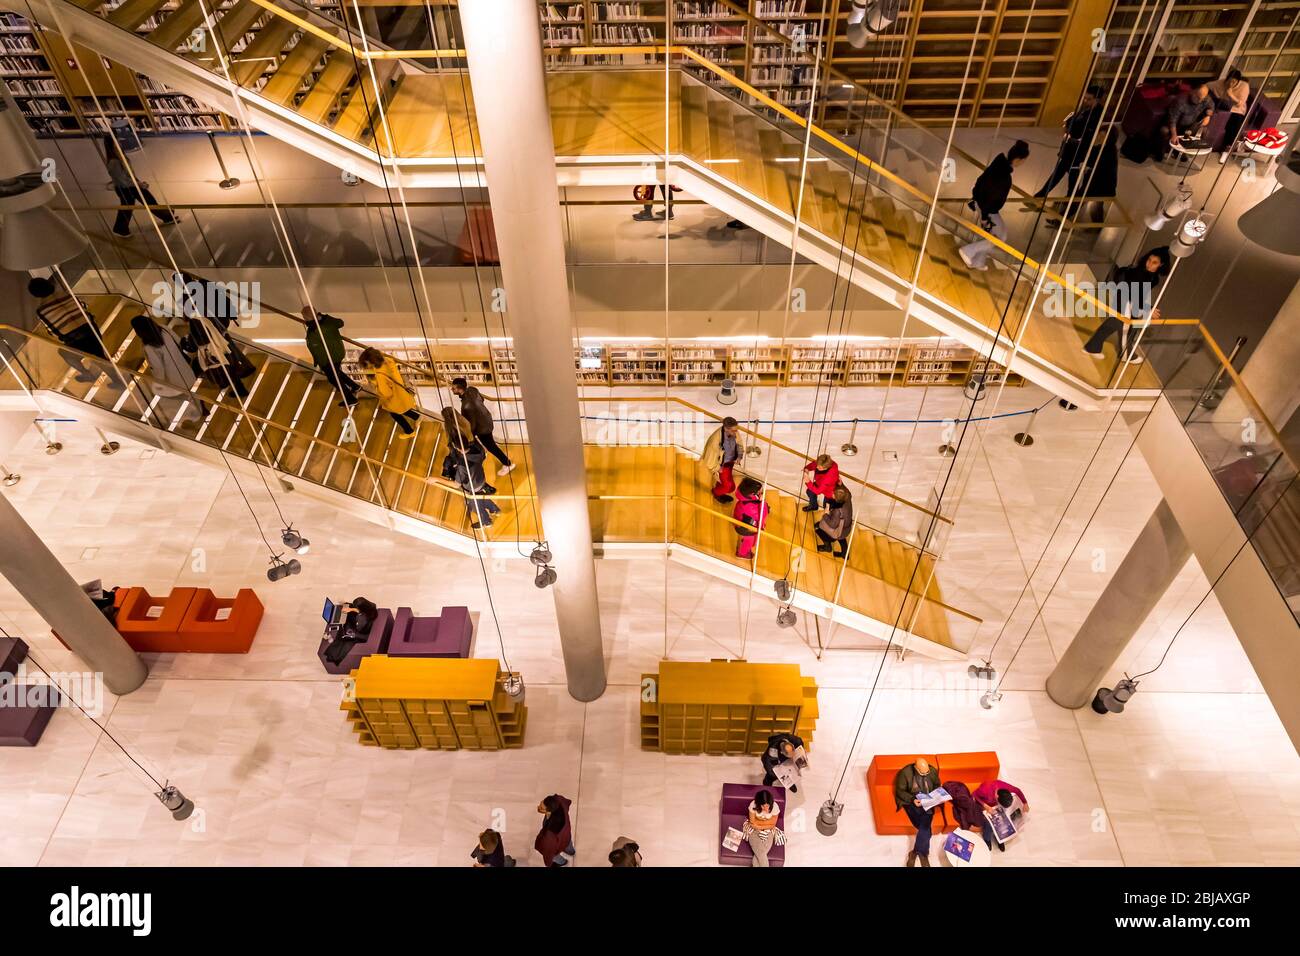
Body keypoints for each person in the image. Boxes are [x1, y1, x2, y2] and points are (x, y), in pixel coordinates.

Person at [1082, 246, 1171, 364]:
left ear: (1161, 264)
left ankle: (1093, 348)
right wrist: (1147, 308)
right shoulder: (1141, 274)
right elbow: (1133, 294)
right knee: (1124, 327)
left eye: (1154, 262)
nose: (1149, 264)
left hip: (1129, 302)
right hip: (1125, 300)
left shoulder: (1153, 278)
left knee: (1119, 325)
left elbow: (1139, 295)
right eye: (1149, 260)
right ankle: (1125, 355)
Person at [959, 139, 1029, 271]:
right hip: (987, 208)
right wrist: (985, 216)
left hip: (982, 204)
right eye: (1024, 161)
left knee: (992, 235)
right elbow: (990, 196)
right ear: (1019, 159)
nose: (1023, 163)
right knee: (1000, 237)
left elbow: (981, 180)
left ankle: (977, 261)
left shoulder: (999, 162)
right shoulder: (1004, 176)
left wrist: (975, 197)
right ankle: (968, 251)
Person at [27, 275, 106, 383]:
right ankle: (107, 374)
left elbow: (53, 332)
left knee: (64, 352)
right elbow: (84, 307)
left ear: (35, 294)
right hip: (92, 330)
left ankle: (87, 373)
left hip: (77, 341)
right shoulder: (68, 296)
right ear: (49, 285)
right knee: (99, 355)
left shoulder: (42, 310)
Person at [130, 313, 203, 425]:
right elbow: (179, 341)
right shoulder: (164, 329)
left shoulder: (149, 346)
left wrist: (158, 385)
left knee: (167, 394)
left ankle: (194, 410)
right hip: (186, 372)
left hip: (174, 382)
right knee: (184, 392)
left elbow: (159, 370)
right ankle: (196, 405)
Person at [1034, 85, 1103, 199]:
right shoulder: (1084, 108)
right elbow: (1071, 117)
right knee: (1066, 174)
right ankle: (1064, 197)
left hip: (1077, 151)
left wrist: (1069, 138)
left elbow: (1088, 137)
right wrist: (1066, 124)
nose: (1085, 100)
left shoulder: (1097, 115)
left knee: (1064, 173)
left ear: (1097, 99)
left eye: (1089, 99)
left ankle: (1048, 195)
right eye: (1085, 98)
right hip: (1070, 148)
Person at [104, 135, 177, 238]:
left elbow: (128, 174)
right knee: (133, 206)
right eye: (116, 142)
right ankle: (120, 228)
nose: (119, 143)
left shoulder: (120, 156)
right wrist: (138, 184)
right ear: (111, 145)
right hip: (126, 188)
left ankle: (166, 216)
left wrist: (138, 182)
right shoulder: (114, 162)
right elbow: (123, 181)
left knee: (143, 202)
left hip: (131, 184)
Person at [443, 406, 500, 529]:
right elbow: (483, 452)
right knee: (477, 495)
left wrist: (435, 479)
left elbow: (456, 484)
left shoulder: (463, 464)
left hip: (472, 482)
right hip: (479, 476)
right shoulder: (466, 426)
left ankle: (486, 521)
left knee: (473, 501)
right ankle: (494, 508)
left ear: (456, 447)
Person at [1052, 127, 1119, 227]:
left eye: (1103, 136)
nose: (1100, 137)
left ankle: (1059, 220)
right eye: (1100, 135)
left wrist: (1089, 168)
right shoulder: (1101, 147)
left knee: (1080, 201)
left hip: (1099, 184)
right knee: (1094, 205)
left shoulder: (1109, 151)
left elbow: (1102, 167)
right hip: (1096, 183)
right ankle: (1097, 226)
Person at [452, 376, 513, 473]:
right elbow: (482, 400)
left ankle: (507, 464)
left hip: (482, 428)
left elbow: (472, 423)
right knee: (490, 444)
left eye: (454, 388)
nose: (452, 389)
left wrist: (469, 434)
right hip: (487, 420)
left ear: (459, 389)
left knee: (491, 446)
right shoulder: (472, 389)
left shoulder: (466, 406)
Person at [302, 306, 360, 407]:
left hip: (330, 357)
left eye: (304, 316)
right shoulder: (322, 323)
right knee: (336, 373)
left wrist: (322, 363)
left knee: (333, 378)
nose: (304, 318)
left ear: (308, 316)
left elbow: (317, 346)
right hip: (335, 354)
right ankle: (355, 386)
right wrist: (323, 318)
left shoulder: (318, 328)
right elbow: (340, 323)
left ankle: (350, 398)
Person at [357, 347, 419, 438]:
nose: (365, 366)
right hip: (400, 393)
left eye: (366, 363)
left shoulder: (379, 375)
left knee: (395, 414)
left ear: (369, 361)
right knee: (402, 409)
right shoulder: (388, 361)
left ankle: (409, 432)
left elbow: (386, 393)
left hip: (393, 399)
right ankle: (417, 417)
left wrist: (375, 386)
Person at [894, 756, 942, 866]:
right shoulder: (905, 773)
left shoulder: (932, 771)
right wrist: (912, 800)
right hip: (913, 800)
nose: (926, 775)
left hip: (927, 800)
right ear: (916, 768)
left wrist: (937, 795)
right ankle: (923, 854)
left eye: (927, 773)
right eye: (922, 773)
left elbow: (936, 785)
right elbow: (900, 791)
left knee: (925, 821)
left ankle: (915, 852)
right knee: (926, 827)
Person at [1158, 80, 1214, 160]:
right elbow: (1172, 120)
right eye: (1198, 97)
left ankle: (1182, 152)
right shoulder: (1180, 101)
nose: (1200, 101)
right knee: (1164, 131)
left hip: (1190, 124)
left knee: (1204, 131)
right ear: (1193, 92)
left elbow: (1211, 106)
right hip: (1175, 125)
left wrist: (1208, 115)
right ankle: (1160, 152)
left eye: (1202, 98)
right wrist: (1174, 134)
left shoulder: (1205, 98)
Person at [973, 779, 1029, 853]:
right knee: (988, 823)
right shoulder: (986, 789)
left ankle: (999, 837)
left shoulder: (1005, 788)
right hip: (983, 805)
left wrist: (1025, 802)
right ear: (997, 796)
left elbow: (1017, 790)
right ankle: (987, 838)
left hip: (994, 806)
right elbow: (974, 795)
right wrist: (985, 806)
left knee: (1003, 820)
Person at [1210, 68, 1251, 163]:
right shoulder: (1222, 83)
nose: (1231, 83)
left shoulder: (1244, 86)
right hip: (1224, 106)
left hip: (1237, 109)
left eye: (1234, 81)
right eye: (1229, 80)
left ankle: (1227, 149)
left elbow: (1240, 104)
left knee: (1234, 123)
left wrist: (1231, 94)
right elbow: (1209, 85)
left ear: (1238, 81)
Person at [323, 596, 378, 665]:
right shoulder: (370, 607)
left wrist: (351, 633)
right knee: (347, 617)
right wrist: (348, 606)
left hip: (360, 631)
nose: (353, 607)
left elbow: (358, 628)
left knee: (343, 635)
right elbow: (357, 610)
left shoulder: (362, 620)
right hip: (360, 623)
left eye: (355, 607)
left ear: (360, 609)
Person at [701, 416, 745, 503]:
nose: (736, 432)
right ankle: (716, 493)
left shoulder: (733, 432)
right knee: (728, 487)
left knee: (730, 487)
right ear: (726, 428)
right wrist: (717, 469)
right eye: (733, 430)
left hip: (730, 463)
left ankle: (719, 486)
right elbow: (709, 460)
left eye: (736, 430)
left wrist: (739, 456)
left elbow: (739, 443)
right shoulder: (714, 441)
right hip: (722, 466)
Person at [942, 779, 994, 851]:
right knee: (966, 810)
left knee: (969, 810)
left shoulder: (970, 803)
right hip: (961, 796)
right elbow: (962, 811)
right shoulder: (964, 800)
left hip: (965, 798)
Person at [742, 789, 782, 867]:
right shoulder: (753, 805)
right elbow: (752, 823)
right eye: (763, 805)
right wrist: (766, 824)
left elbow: (773, 824)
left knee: (761, 854)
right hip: (754, 830)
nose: (766, 808)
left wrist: (760, 825)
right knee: (761, 853)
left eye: (767, 805)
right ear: (758, 803)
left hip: (769, 831)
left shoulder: (775, 807)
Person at [534, 794, 575, 867]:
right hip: (566, 834)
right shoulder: (559, 801)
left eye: (541, 808)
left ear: (549, 811)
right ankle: (571, 851)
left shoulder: (550, 831)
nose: (538, 807)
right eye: (541, 803)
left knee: (554, 856)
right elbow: (566, 802)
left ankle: (563, 862)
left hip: (556, 841)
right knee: (567, 842)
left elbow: (549, 851)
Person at [733, 476, 769, 560]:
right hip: (745, 528)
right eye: (760, 492)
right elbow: (762, 515)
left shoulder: (744, 498)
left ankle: (745, 545)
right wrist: (763, 502)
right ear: (752, 494)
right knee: (749, 540)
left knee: (752, 538)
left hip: (742, 521)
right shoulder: (751, 507)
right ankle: (742, 554)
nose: (762, 493)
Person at [814, 484, 853, 559]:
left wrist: (825, 514)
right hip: (846, 527)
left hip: (840, 531)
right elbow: (847, 491)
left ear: (836, 498)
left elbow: (832, 525)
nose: (832, 493)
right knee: (842, 538)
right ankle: (845, 554)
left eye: (833, 493)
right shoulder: (847, 496)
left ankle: (827, 547)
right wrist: (842, 484)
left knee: (818, 528)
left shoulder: (837, 510)